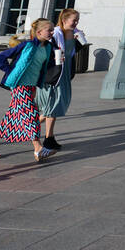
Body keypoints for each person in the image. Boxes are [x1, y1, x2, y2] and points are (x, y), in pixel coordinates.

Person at [0, 19, 56, 162]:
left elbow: (43, 66)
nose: (52, 32)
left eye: (53, 30)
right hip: (19, 85)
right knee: (32, 115)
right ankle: (38, 148)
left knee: (11, 117)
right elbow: (1, 57)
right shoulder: (27, 45)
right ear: (39, 32)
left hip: (31, 85)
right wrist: (11, 72)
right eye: (49, 30)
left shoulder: (47, 47)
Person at [36, 8, 83, 151]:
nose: (76, 23)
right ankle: (31, 128)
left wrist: (79, 41)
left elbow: (71, 53)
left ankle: (48, 137)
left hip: (65, 73)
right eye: (74, 20)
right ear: (64, 20)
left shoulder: (75, 34)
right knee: (52, 106)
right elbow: (44, 49)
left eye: (77, 20)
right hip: (54, 74)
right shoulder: (56, 33)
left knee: (55, 106)